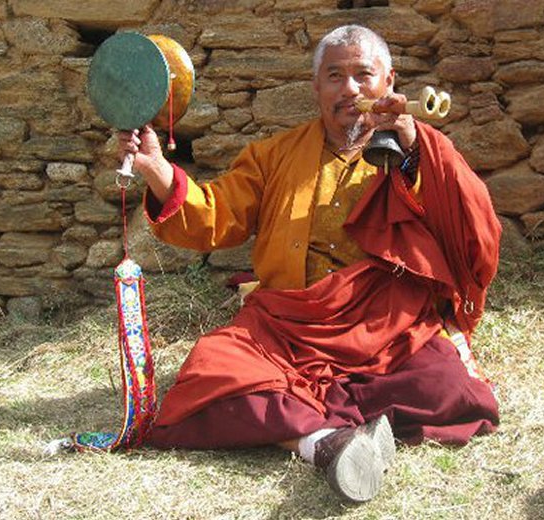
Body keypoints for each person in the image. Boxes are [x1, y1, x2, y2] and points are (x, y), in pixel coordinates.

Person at [117, 24, 502, 503]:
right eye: (335, 76)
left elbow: (470, 224)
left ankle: (311, 424)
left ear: (389, 82)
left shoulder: (411, 150)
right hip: (288, 323)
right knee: (208, 372)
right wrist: (156, 172)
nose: (351, 89)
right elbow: (214, 217)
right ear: (316, 87)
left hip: (382, 324)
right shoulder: (272, 156)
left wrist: (414, 144)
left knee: (450, 389)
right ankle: (328, 442)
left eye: (364, 74)